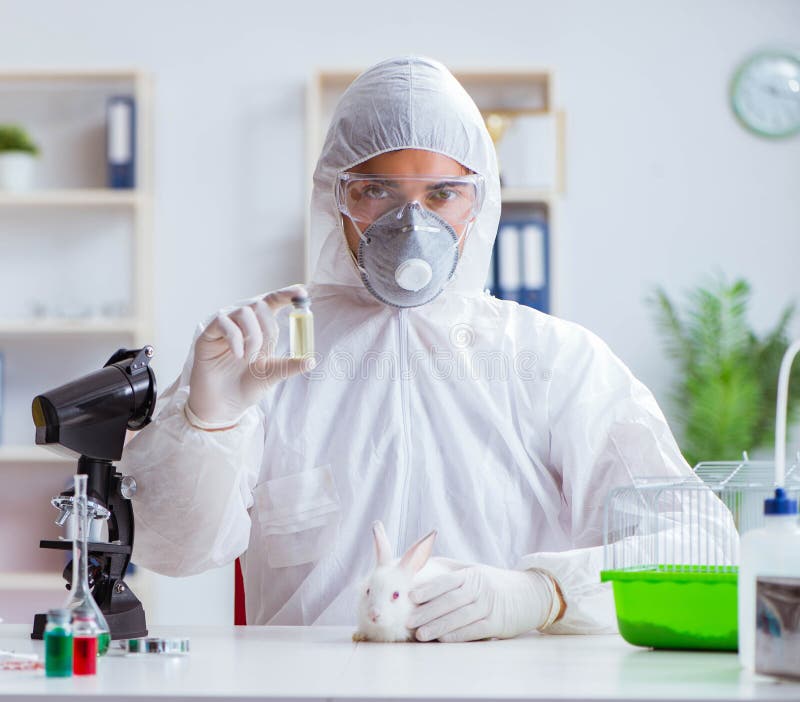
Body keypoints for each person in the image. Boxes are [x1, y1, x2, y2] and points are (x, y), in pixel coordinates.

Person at [121, 56, 698, 641]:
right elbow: (169, 550)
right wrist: (208, 421)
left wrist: (547, 593)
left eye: (444, 192)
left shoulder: (556, 361)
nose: (412, 222)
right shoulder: (265, 349)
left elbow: (695, 541)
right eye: (376, 190)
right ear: (334, 197)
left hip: (508, 685)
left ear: (480, 202)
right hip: (314, 685)